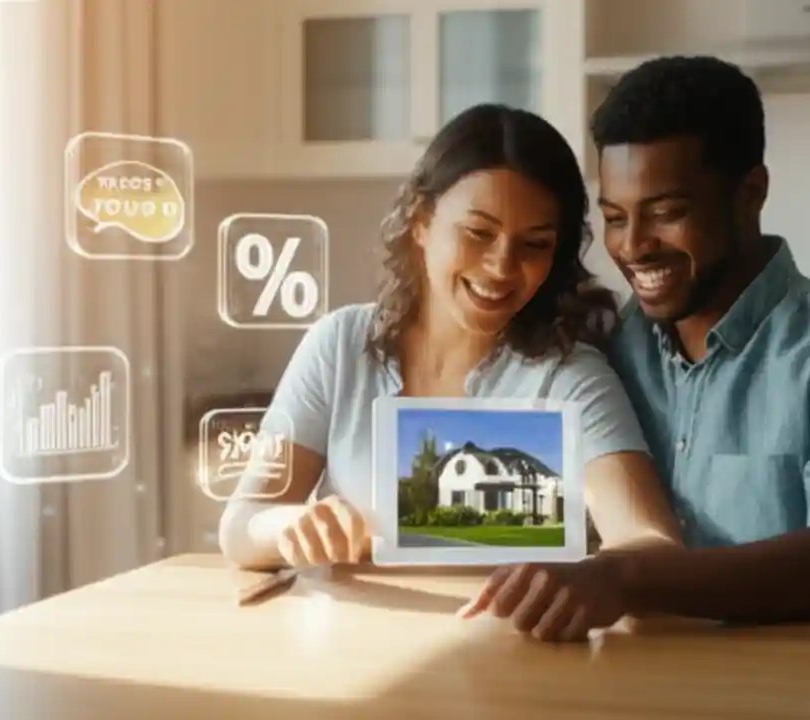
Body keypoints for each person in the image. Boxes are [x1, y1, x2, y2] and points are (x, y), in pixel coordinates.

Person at [461, 56, 810, 627]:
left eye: (666, 213)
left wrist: (627, 578)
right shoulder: (602, 353)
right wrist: (377, 524)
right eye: (615, 218)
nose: (633, 247)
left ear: (751, 193)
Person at [218, 103, 683, 640]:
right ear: (421, 222)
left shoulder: (569, 378)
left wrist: (604, 574)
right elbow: (241, 524)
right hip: (360, 652)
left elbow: (653, 543)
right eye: (478, 232)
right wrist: (289, 526)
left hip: (523, 662)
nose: (502, 267)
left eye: (534, 245)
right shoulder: (341, 346)